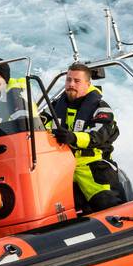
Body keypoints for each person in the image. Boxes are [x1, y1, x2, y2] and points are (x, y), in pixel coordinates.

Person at [48, 62, 124, 212]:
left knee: (107, 203)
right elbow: (37, 125)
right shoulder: (54, 107)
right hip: (61, 169)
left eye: (77, 81)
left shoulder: (101, 108)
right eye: (68, 80)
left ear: (88, 84)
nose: (71, 84)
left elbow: (98, 134)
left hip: (92, 168)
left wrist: (73, 137)